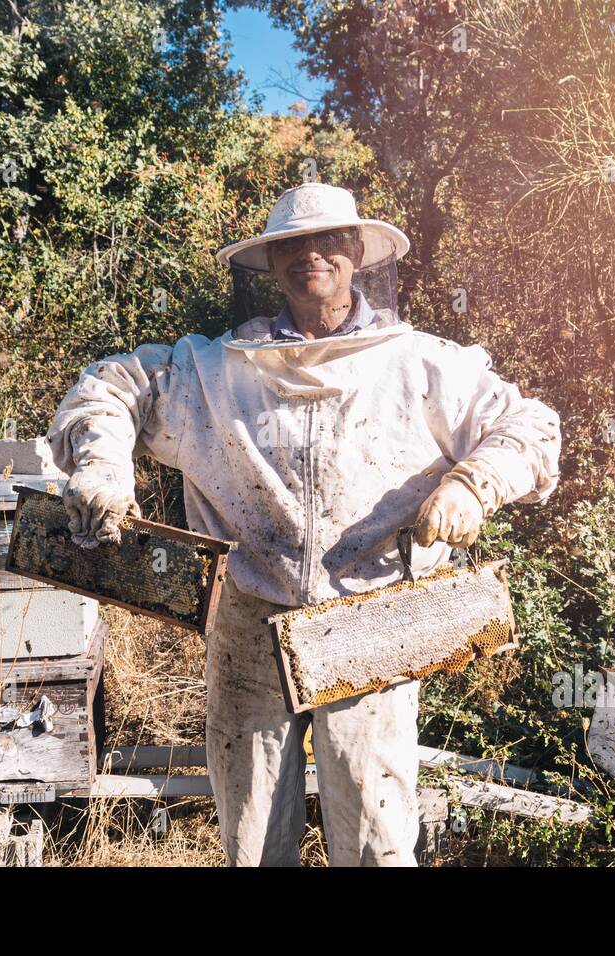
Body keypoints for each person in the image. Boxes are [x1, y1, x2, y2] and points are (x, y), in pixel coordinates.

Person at [48, 182, 561, 866]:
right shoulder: (215, 369)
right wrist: (104, 464)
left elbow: (531, 426)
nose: (309, 255)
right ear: (272, 263)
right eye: (291, 244)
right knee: (255, 838)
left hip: (374, 622)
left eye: (326, 242)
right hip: (249, 621)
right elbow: (109, 388)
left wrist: (475, 482)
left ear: (355, 253)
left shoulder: (421, 364)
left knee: (375, 839)